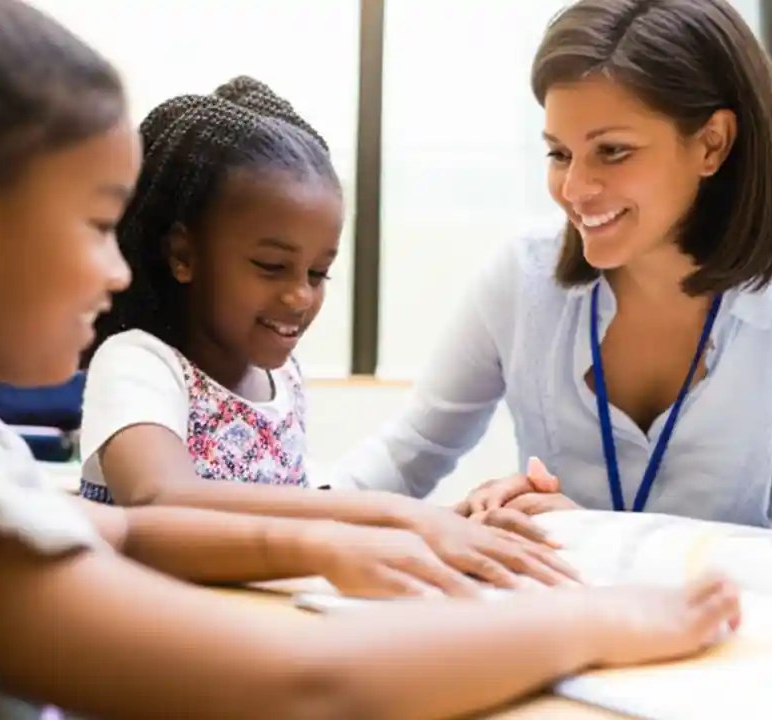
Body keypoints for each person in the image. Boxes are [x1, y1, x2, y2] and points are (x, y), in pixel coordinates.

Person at [0, 1, 741, 717]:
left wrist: (354, 530)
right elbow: (303, 686)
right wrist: (600, 623)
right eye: (96, 225)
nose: (110, 269)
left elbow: (117, 536)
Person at [333, 0, 772, 546]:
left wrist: (595, 536)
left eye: (613, 151)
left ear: (712, 143)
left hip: (743, 634)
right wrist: (279, 526)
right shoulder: (521, 280)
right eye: (559, 154)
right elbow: (404, 458)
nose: (574, 189)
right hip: (558, 628)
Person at [79, 77, 576, 587]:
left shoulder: (283, 381)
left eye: (318, 274)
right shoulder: (138, 363)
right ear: (183, 255)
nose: (300, 295)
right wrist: (404, 517)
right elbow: (161, 500)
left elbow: (309, 505)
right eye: (271, 266)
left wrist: (456, 522)